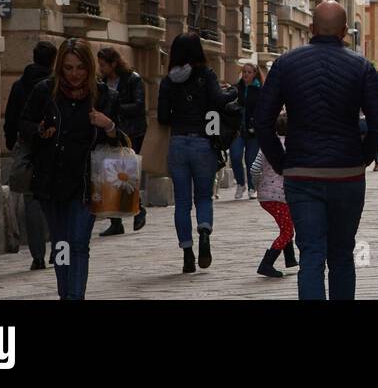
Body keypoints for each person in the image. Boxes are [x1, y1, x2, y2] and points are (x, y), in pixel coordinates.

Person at [254, 1, 378, 300]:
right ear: (345, 31)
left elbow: (262, 121)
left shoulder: (285, 64)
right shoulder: (361, 67)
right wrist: (362, 158)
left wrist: (281, 163)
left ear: (311, 29)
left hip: (301, 174)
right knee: (342, 254)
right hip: (347, 175)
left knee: (312, 255)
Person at [19, 38, 126, 299]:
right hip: (52, 180)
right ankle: (65, 294)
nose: (75, 74)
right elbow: (23, 124)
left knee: (78, 242)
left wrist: (108, 125)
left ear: (89, 68)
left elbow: (121, 141)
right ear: (60, 68)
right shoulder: (45, 91)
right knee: (62, 244)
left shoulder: (104, 96)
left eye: (80, 68)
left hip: (88, 182)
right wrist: (40, 130)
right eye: (68, 68)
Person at [158, 32, 235, 273]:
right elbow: (219, 102)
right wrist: (234, 92)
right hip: (203, 143)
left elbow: (162, 117)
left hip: (178, 143)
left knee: (181, 202)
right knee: (203, 197)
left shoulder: (168, 81)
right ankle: (204, 233)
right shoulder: (206, 74)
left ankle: (187, 253)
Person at [3, 40, 56, 269]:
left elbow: (12, 118)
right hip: (53, 147)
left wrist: (11, 141)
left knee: (32, 201)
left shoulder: (19, 85)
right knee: (56, 199)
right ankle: (58, 248)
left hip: (28, 145)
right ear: (53, 60)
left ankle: (37, 256)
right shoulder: (55, 85)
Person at [96, 47, 147, 235]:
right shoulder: (101, 82)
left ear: (113, 63)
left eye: (103, 65)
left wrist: (116, 108)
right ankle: (116, 220)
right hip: (110, 131)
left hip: (131, 132)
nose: (100, 68)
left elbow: (139, 105)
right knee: (111, 174)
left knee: (126, 174)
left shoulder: (132, 79)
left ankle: (139, 209)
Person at [249, 112, 297, 278]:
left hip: (266, 196)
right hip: (281, 197)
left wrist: (257, 186)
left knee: (286, 223)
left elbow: (255, 169)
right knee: (287, 232)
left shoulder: (268, 146)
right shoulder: (294, 147)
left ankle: (290, 258)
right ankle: (266, 264)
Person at [229, 63, 264, 200]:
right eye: (244, 72)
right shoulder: (237, 88)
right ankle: (240, 184)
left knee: (251, 160)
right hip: (238, 129)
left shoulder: (260, 89)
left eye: (249, 72)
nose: (246, 74)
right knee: (235, 156)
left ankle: (252, 187)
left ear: (255, 73)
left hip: (254, 131)